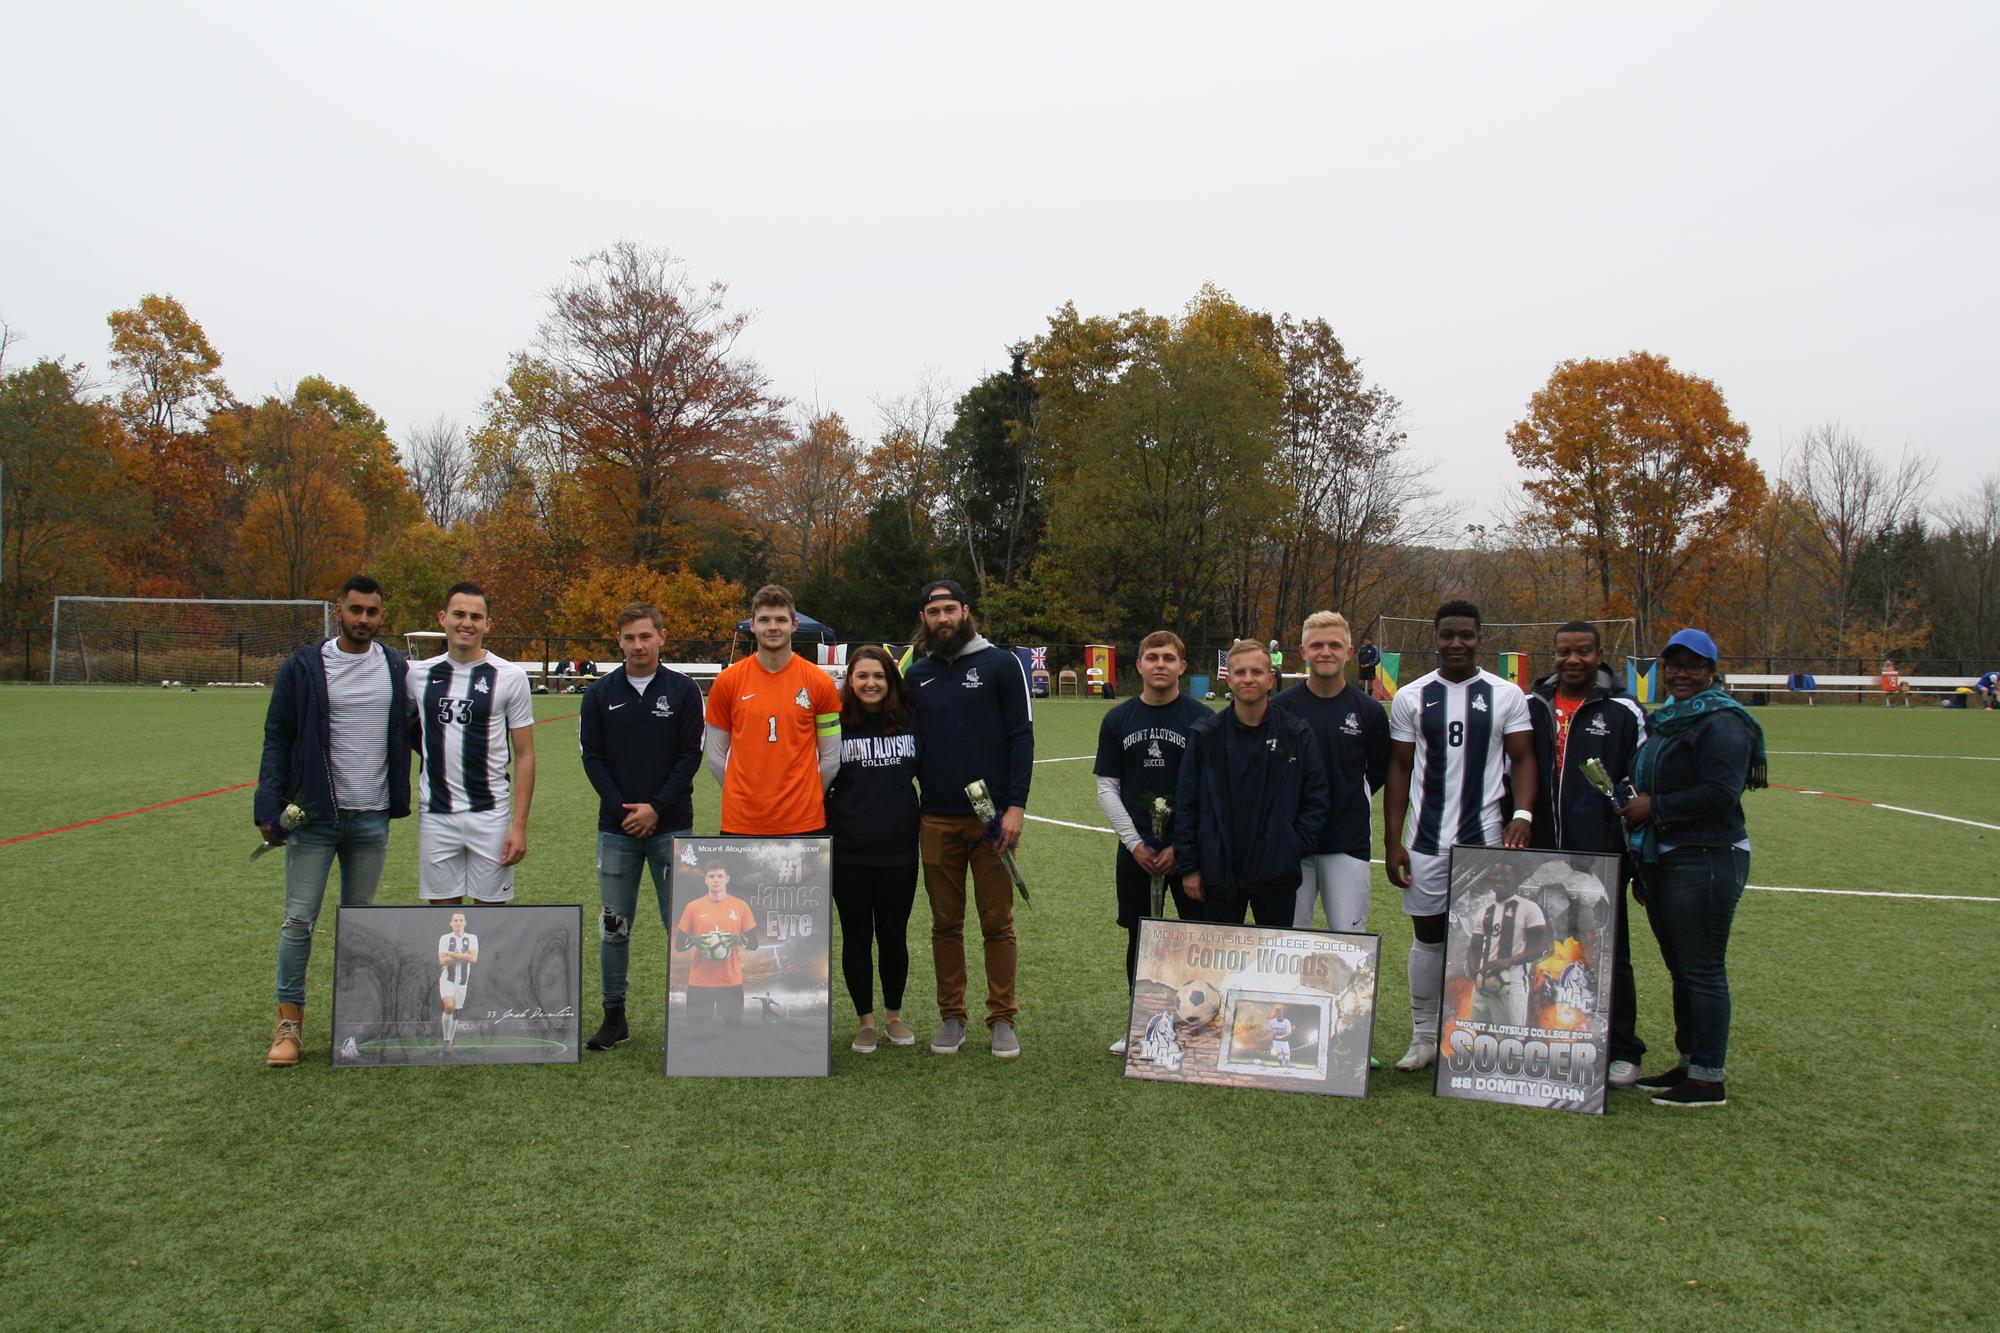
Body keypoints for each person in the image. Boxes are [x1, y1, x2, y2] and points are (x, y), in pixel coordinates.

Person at [256, 574, 414, 1069]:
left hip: (371, 819)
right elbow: (277, 737)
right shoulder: (303, 666)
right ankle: (289, 1027)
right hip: (314, 818)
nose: (363, 619)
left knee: (358, 925)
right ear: (338, 612)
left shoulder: (394, 666)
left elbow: (415, 730)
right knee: (299, 920)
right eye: (355, 610)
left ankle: (352, 1027)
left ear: (382, 615)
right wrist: (269, 805)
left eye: (371, 611)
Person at [1382, 600, 1538, 1073]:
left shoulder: (1506, 694)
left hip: (1486, 843)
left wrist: (1524, 813)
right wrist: (1392, 841)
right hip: (1426, 841)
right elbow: (1400, 767)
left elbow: (1524, 759)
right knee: (1428, 938)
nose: (1456, 643)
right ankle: (1424, 1036)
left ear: (1479, 638)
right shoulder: (1411, 696)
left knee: (1487, 940)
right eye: (1447, 635)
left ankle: (1478, 1037)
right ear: (1435, 638)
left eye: (1465, 635)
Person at [1618, 628, 1767, 1109]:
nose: (1682, 674)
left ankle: (1707, 1079)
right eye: (1674, 665)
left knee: (1701, 969)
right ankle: (1689, 1062)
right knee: (1682, 967)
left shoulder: (1723, 722)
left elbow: (1720, 793)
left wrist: (1652, 807)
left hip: (1704, 855)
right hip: (1667, 854)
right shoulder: (1672, 720)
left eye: (1693, 665)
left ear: (1712, 670)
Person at [905, 579, 1034, 1059]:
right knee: (945, 923)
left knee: (997, 923)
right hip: (935, 818)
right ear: (924, 618)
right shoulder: (917, 674)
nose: (943, 618)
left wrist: (1016, 807)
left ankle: (1002, 1018)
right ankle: (951, 1017)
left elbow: (1022, 737)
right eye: (933, 611)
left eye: (950, 609)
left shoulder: (1001, 664)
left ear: (966, 611)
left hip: (992, 821)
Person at [1525, 620, 1650, 1088]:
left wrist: (1626, 842)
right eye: (1564, 652)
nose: (1572, 660)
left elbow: (1640, 775)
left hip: (1598, 855)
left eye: (1583, 652)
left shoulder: (1622, 710)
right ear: (1552, 655)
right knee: (1543, 946)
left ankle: (1621, 1046)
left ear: (1599, 656)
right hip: (1538, 851)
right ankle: (1544, 1033)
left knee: (1607, 948)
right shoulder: (1533, 705)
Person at [578, 602, 705, 1052]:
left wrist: (655, 807)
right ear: (619, 641)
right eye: (629, 637)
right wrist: (625, 810)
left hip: (672, 827)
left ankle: (691, 1014)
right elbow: (592, 758)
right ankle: (615, 1015)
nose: (638, 645)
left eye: (646, 636)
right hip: (616, 831)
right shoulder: (598, 694)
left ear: (662, 638)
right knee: (615, 925)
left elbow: (690, 755)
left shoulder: (684, 691)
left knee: (684, 927)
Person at [1093, 630, 1210, 1054]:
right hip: (1137, 853)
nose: (1160, 664)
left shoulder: (1201, 719)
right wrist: (1134, 843)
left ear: (1182, 666)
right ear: (1139, 665)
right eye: (1152, 657)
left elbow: (1210, 791)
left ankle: (1199, 1026)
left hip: (1189, 853)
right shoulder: (1117, 719)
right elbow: (1108, 787)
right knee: (1141, 938)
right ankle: (1143, 1022)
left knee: (1197, 938)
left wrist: (1182, 845)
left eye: (1169, 658)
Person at [1173, 640, 1330, 929]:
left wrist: (1291, 845)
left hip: (1276, 873)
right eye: (1240, 672)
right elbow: (1186, 804)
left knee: (1275, 962)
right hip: (1218, 871)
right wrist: (1190, 866)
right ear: (1228, 679)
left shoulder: (1295, 733)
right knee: (1217, 964)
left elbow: (1316, 797)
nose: (1248, 679)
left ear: (1270, 679)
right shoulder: (1206, 736)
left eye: (1257, 672)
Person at [408, 583, 537, 908]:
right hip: (436, 814)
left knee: (491, 923)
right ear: (443, 618)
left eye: (476, 616)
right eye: (459, 614)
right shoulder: (417, 675)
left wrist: (518, 826)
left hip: (490, 815)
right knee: (442, 921)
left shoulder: (510, 676)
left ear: (487, 624)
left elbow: (525, 755)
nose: (467, 623)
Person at [825, 645, 922, 1053]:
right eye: (862, 676)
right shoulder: (835, 724)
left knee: (893, 934)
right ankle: (865, 1021)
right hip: (848, 849)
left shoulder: (910, 720)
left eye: (878, 676)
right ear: (850, 681)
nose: (870, 683)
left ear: (890, 681)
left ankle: (893, 1017)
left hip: (899, 847)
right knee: (856, 935)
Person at [1270, 611, 1389, 934]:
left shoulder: (1370, 712)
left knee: (1349, 943)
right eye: (1318, 645)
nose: (1326, 652)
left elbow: (1377, 771)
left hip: (1347, 842)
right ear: (1303, 652)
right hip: (1291, 844)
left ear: (1349, 653)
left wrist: (1345, 798)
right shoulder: (1279, 709)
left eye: (1335, 645)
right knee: (1288, 941)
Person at [704, 585, 841, 836]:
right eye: (764, 620)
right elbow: (714, 756)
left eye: (781, 619)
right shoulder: (727, 681)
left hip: (804, 822)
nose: (773, 627)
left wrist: (807, 799)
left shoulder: (820, 683)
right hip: (741, 822)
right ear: (753, 626)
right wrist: (741, 797)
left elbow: (831, 758)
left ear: (794, 625)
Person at [1462, 862, 1550, 1030]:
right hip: (1483, 986)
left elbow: (1540, 948)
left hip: (1511, 985)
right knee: (1481, 1036)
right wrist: (1475, 974)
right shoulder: (1485, 911)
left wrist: (1508, 962)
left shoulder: (1529, 908)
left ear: (1516, 878)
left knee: (1510, 1042)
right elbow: (1474, 947)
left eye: (1504, 874)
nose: (1498, 878)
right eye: (1495, 874)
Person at [674, 864, 761, 1030]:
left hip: (731, 980)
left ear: (727, 878)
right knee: (697, 1030)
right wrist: (695, 941)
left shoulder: (740, 906)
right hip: (699, 981)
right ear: (705, 880)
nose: (716, 880)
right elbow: (679, 945)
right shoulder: (693, 907)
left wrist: (737, 939)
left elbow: (754, 944)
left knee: (733, 1028)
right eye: (712, 876)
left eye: (720, 876)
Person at [437, 910, 478, 1056]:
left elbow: (473, 959)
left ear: (465, 923)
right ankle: (446, 1040)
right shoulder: (445, 938)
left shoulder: (472, 938)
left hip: (462, 981)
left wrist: (452, 954)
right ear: (451, 923)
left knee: (456, 1011)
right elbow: (442, 961)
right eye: (455, 920)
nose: (458, 923)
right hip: (448, 979)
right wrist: (464, 956)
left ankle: (450, 1043)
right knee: (449, 1006)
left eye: (461, 920)